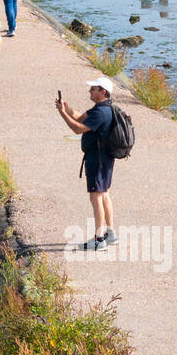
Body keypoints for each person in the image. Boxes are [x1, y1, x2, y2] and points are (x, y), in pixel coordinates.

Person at [54, 75, 119, 251]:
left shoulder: (100, 112)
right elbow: (80, 117)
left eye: (93, 89)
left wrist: (61, 113)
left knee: (95, 197)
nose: (90, 91)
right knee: (104, 194)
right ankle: (110, 233)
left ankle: (99, 239)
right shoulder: (104, 108)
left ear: (102, 92)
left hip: (97, 160)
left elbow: (77, 128)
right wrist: (67, 109)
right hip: (104, 159)